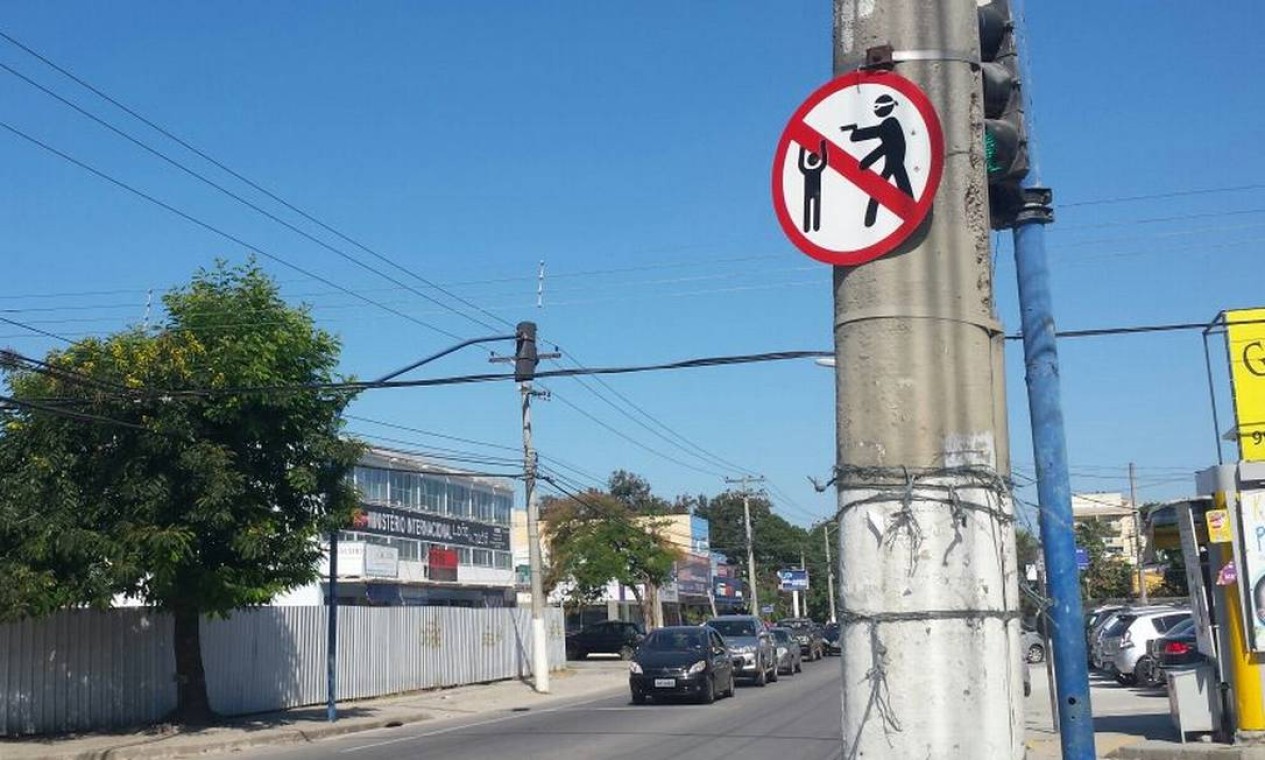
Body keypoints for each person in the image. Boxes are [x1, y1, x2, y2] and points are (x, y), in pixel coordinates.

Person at [841, 93, 913, 228]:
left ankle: (873, 219)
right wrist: (855, 134)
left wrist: (866, 161)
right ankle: (908, 212)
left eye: (877, 107)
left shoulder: (890, 123)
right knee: (896, 188)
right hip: (894, 162)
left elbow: (883, 145)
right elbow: (875, 137)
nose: (875, 110)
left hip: (894, 162)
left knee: (883, 188)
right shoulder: (889, 123)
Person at [797, 139, 829, 232]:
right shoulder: (809, 170)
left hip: (816, 192)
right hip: (810, 191)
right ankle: (808, 227)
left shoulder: (813, 170)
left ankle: (815, 227)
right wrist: (802, 148)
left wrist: (823, 146)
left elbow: (824, 162)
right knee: (808, 207)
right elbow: (801, 165)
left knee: (815, 207)